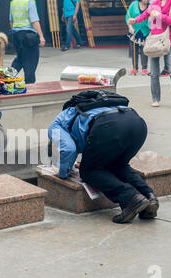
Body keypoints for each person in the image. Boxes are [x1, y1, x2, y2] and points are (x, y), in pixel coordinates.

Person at [48, 91, 159, 224]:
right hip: (136, 124)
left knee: (89, 171)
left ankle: (131, 198)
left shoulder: (56, 125)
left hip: (108, 126)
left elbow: (69, 150)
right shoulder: (91, 107)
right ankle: (149, 196)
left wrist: (63, 172)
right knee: (117, 165)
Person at [129, 0, 171, 109]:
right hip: (154, 42)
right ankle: (155, 99)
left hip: (169, 41)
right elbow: (145, 15)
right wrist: (135, 20)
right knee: (154, 74)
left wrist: (159, 15)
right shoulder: (154, 4)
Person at [9, 0, 45, 84]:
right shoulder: (29, 2)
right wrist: (41, 36)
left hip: (17, 35)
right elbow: (34, 21)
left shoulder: (13, 2)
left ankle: (7, 78)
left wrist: (16, 32)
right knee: (30, 62)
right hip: (29, 37)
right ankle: (29, 85)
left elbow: (11, 21)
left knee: (20, 59)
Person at [126, 0, 150, 75]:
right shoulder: (134, 4)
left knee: (144, 51)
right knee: (134, 50)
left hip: (145, 31)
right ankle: (135, 68)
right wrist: (130, 27)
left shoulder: (150, 6)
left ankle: (144, 68)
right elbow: (128, 17)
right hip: (134, 31)